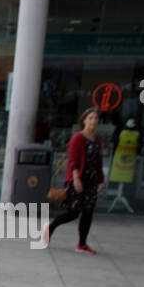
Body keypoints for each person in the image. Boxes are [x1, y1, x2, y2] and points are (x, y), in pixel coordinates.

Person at [37, 107, 103, 255]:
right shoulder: (78, 138)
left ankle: (82, 244)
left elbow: (98, 161)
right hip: (78, 179)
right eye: (91, 118)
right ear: (84, 120)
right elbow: (72, 159)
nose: (93, 121)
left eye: (96, 118)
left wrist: (100, 180)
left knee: (88, 212)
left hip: (91, 181)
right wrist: (76, 178)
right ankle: (51, 226)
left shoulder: (97, 139)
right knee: (73, 213)